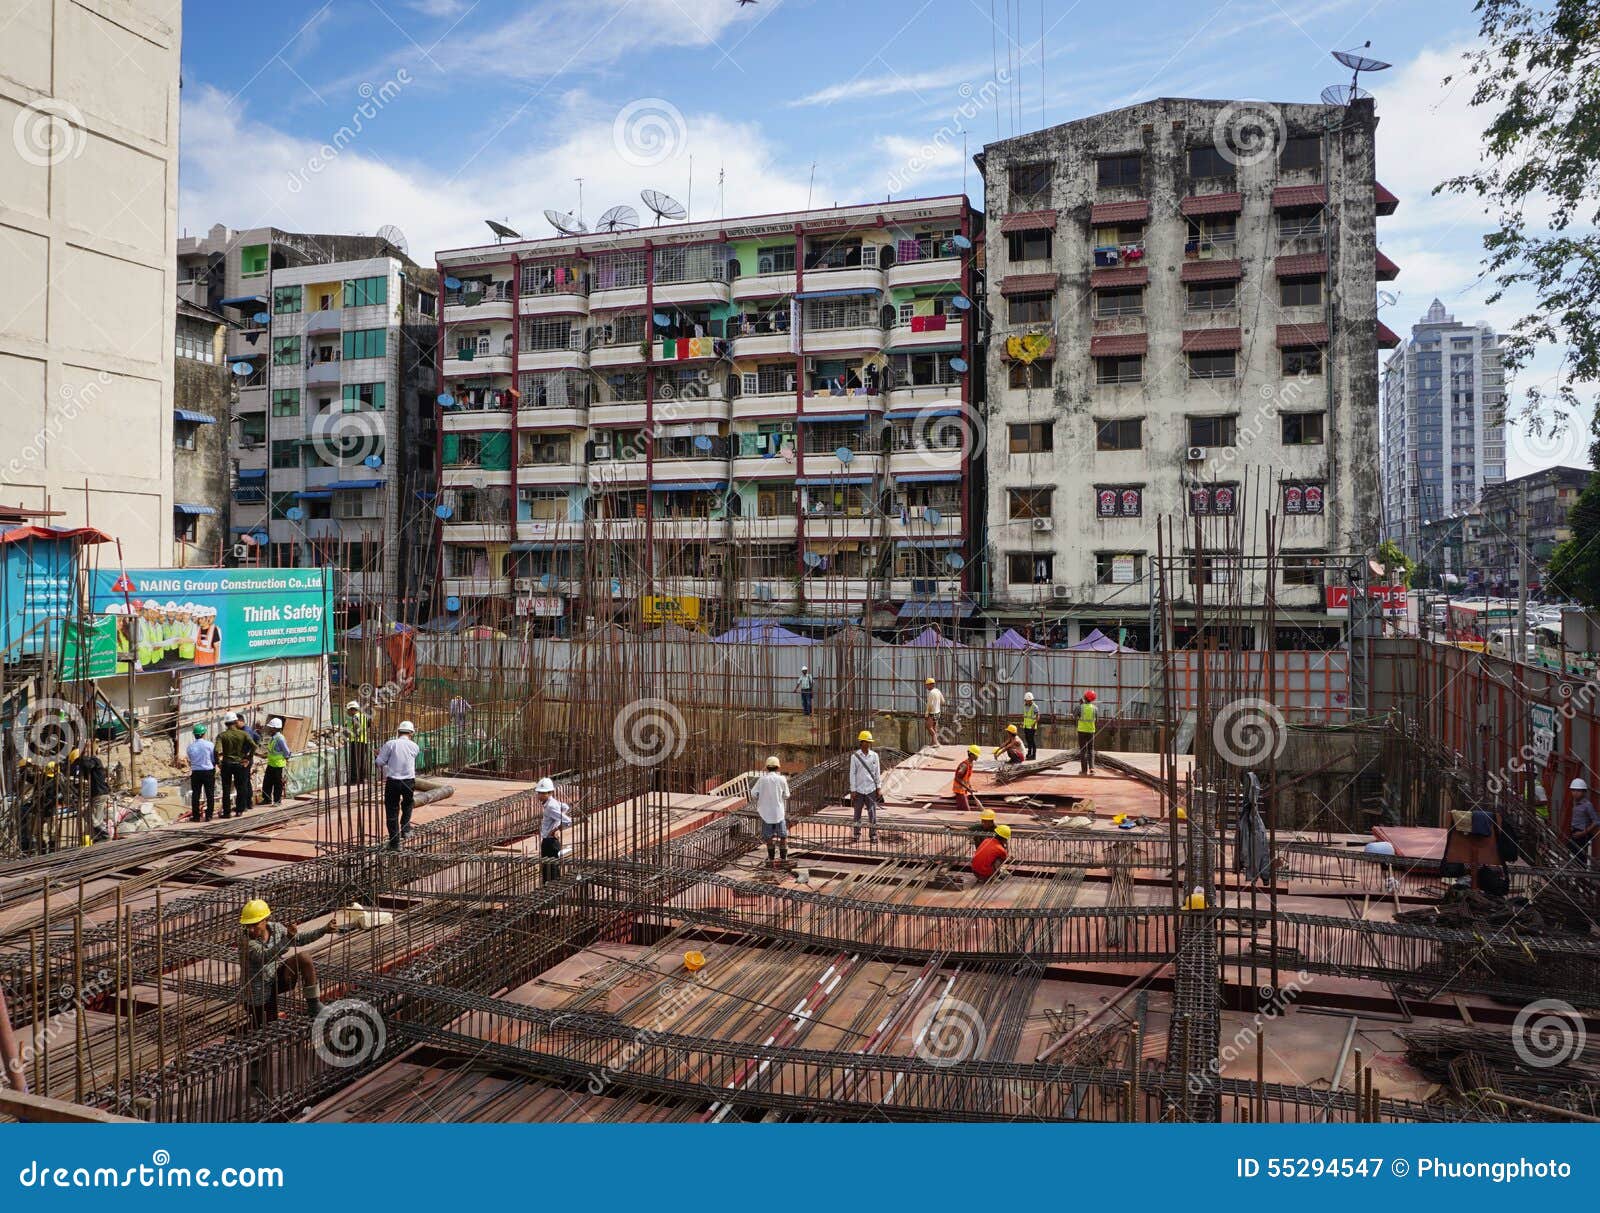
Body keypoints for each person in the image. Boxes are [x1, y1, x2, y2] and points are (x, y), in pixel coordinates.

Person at [238, 898, 337, 1029]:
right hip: (257, 991)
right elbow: (265, 956)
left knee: (304, 957)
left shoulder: (276, 929)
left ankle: (314, 1004)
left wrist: (323, 930)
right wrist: (287, 939)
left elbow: (299, 939)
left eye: (254, 924)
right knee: (266, 1027)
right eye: (248, 925)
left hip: (277, 977)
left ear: (265, 920)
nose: (250, 929)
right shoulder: (245, 941)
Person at [375, 720, 421, 850]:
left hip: (393, 781)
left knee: (392, 810)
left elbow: (379, 763)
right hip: (409, 781)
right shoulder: (415, 746)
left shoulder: (390, 744)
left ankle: (394, 843)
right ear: (411, 733)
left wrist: (378, 755)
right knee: (407, 804)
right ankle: (405, 829)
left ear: (398, 731)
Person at [749, 755, 791, 868]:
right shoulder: (782, 779)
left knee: (768, 837)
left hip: (766, 814)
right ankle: (783, 859)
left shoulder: (762, 779)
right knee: (783, 836)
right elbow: (787, 795)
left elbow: (753, 793)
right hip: (779, 813)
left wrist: (762, 796)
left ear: (767, 767)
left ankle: (771, 859)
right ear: (778, 767)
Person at [218, 712, 256, 819]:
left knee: (226, 789)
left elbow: (216, 750)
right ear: (235, 722)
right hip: (240, 764)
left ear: (225, 723)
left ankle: (227, 813)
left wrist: (218, 763)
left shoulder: (222, 736)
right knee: (241, 787)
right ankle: (239, 810)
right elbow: (254, 746)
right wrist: (248, 758)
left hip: (226, 764)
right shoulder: (244, 734)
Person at [69, 746, 111, 841]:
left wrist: (81, 758)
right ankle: (99, 834)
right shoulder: (91, 762)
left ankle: (103, 834)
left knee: (95, 818)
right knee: (88, 813)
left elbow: (88, 765)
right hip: (97, 793)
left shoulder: (95, 760)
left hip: (99, 793)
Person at [535, 775, 572, 881]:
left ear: (550, 792)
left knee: (551, 871)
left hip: (550, 843)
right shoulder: (552, 803)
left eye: (543, 793)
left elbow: (568, 821)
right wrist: (557, 822)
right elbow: (565, 807)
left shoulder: (550, 806)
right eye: (539, 792)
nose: (540, 795)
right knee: (550, 869)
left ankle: (553, 890)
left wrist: (556, 829)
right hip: (549, 841)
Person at [849, 729, 882, 843]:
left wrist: (879, 787)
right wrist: (853, 790)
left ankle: (873, 835)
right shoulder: (855, 757)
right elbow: (852, 773)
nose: (868, 744)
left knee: (872, 812)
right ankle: (856, 834)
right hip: (859, 789)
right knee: (857, 812)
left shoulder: (874, 756)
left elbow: (877, 772)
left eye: (869, 742)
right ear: (861, 742)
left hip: (871, 789)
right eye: (866, 742)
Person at [185, 723, 217, 822]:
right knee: (210, 794)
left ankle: (196, 816)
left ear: (194, 734)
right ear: (203, 734)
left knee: (196, 794)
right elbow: (213, 759)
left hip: (196, 772)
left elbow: (191, 760)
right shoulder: (210, 745)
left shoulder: (190, 747)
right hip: (208, 771)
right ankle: (209, 815)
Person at [1568, 777, 1598, 867]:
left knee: (1581, 859)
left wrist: (1582, 833)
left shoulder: (1587, 805)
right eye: (1573, 790)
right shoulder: (1576, 803)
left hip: (1583, 836)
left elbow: (1596, 821)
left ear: (1584, 792)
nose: (1575, 793)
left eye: (1578, 791)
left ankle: (1582, 877)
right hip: (1575, 833)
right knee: (1572, 855)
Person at [261, 718, 291, 805]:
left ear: (275, 728)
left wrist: (286, 758)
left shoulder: (280, 738)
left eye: (271, 728)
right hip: (271, 764)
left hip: (278, 765)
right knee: (267, 782)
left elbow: (287, 752)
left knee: (277, 784)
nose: (270, 729)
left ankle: (277, 801)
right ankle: (267, 799)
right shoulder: (273, 738)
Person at [345, 700, 370, 786]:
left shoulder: (355, 717)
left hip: (356, 742)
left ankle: (353, 780)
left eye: (348, 710)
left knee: (354, 761)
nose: (347, 712)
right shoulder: (364, 716)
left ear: (352, 709)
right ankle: (363, 779)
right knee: (362, 761)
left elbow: (357, 730)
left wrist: (349, 733)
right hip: (364, 741)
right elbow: (368, 726)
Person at [1076, 690, 1098, 775]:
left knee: (1083, 751)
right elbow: (1097, 720)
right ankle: (1092, 768)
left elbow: (1074, 715)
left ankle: (1084, 770)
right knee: (1091, 750)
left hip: (1081, 731)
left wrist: (1080, 705)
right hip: (1091, 731)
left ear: (1085, 697)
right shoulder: (1095, 708)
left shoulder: (1080, 707)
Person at [952, 743, 979, 813]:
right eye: (976, 755)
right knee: (966, 811)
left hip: (964, 789)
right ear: (971, 755)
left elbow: (967, 778)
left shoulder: (971, 764)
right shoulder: (964, 765)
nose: (977, 757)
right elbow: (957, 778)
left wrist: (970, 787)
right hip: (959, 790)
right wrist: (968, 788)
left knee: (962, 809)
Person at [923, 677, 945, 746]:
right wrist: (937, 704)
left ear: (930, 685)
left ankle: (936, 742)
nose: (926, 686)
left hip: (932, 713)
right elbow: (943, 701)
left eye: (927, 685)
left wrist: (926, 715)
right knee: (934, 727)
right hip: (938, 712)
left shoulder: (931, 693)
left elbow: (929, 705)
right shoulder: (938, 691)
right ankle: (933, 742)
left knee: (928, 727)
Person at [1021, 692, 1041, 760]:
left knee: (1032, 740)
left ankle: (1034, 755)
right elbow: (1026, 716)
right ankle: (1029, 753)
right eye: (1027, 700)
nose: (1029, 702)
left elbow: (1038, 716)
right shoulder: (1025, 705)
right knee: (1028, 740)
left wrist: (1034, 723)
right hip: (1026, 726)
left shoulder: (1035, 707)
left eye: (1030, 700)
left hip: (1032, 727)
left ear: (1031, 700)